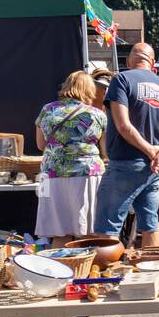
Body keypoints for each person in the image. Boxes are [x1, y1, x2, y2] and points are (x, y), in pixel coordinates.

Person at [93, 42, 159, 248]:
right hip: (153, 169)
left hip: (125, 164)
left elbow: (123, 125)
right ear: (153, 64)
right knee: (150, 226)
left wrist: (151, 151)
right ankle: (153, 272)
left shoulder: (122, 80)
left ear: (129, 61)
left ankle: (107, 278)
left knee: (106, 229)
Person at [31, 70, 107, 245]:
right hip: (87, 173)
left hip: (52, 174)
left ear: (67, 86)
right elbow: (105, 151)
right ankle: (86, 268)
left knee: (59, 232)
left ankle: (61, 270)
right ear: (89, 90)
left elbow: (41, 145)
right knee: (88, 230)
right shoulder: (97, 114)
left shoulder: (47, 110)